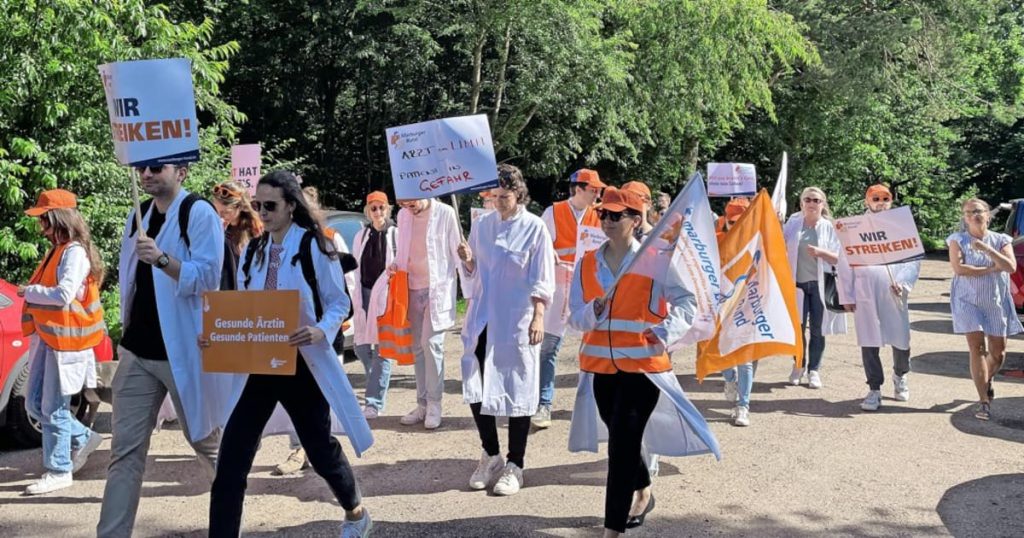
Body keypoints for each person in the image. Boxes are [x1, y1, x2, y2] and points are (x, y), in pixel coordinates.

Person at [208, 170, 373, 537]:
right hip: (261, 364)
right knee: (232, 459)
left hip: (302, 364)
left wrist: (320, 329)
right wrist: (219, 336)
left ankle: (355, 510)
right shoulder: (253, 249)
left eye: (271, 205)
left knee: (319, 448)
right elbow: (246, 307)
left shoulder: (315, 246)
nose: (262, 212)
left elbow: (338, 303)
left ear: (291, 206)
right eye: (258, 205)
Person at [567, 187, 719, 537]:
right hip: (601, 371)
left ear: (636, 221)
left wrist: (665, 330)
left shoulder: (656, 261)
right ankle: (644, 486)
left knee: (620, 448)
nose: (606, 220)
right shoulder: (587, 262)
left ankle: (613, 529)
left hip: (643, 371)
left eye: (616, 215)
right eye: (603, 213)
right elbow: (574, 316)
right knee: (623, 439)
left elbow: (686, 302)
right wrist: (593, 311)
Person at [98, 163, 238, 538]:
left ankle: (228, 528)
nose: (146, 174)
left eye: (156, 167)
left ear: (182, 170)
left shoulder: (199, 212)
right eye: (142, 168)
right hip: (137, 351)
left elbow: (208, 278)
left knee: (206, 443)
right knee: (124, 454)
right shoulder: (138, 213)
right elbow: (130, 280)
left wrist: (162, 259)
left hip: (182, 353)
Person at [457, 164, 556, 495]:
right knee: (476, 386)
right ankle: (491, 453)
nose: (499, 202)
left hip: (516, 319)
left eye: (505, 196)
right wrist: (467, 259)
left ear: (519, 194)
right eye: (494, 196)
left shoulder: (534, 228)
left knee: (518, 389)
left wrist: (539, 315)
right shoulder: (483, 225)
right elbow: (474, 272)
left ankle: (516, 463)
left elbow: (543, 276)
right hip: (484, 317)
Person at [18, 189, 106, 495]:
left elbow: (64, 295)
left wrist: (27, 292)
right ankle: (82, 438)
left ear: (58, 219)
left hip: (65, 343)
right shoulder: (60, 250)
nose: (41, 227)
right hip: (50, 338)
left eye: (43, 219)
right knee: (34, 403)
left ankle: (58, 470)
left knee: (52, 406)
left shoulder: (74, 253)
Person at [271, 185, 356, 475]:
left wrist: (324, 329)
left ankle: (332, 467)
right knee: (292, 405)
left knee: (320, 413)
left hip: (323, 342)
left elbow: (343, 295)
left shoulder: (327, 242)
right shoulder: (268, 247)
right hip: (285, 344)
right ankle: (298, 450)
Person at [837, 185, 920, 411]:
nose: (881, 202)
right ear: (867, 202)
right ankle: (874, 388)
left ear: (891, 201)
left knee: (901, 338)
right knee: (868, 339)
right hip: (865, 291)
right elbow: (843, 264)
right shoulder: (853, 228)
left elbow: (912, 260)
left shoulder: (901, 226)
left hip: (894, 291)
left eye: (885, 198)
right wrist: (847, 294)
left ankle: (900, 374)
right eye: (876, 198)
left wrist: (904, 283)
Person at [534, 168, 605, 429]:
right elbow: (538, 245)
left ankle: (593, 405)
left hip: (586, 290)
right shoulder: (553, 212)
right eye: (593, 189)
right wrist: (548, 254)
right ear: (578, 188)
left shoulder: (599, 215)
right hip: (557, 289)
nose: (598, 193)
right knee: (548, 348)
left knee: (592, 349)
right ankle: (544, 403)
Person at [946, 198, 1022, 421]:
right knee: (976, 347)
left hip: (995, 301)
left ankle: (987, 378)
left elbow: (1009, 267)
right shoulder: (957, 240)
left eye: (978, 212)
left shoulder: (1001, 240)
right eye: (968, 213)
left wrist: (987, 250)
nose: (973, 216)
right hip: (967, 300)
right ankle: (983, 401)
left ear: (988, 215)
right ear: (964, 217)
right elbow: (959, 269)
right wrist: (991, 268)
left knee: (998, 353)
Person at [393, 194, 464, 429]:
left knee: (431, 344)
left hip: (437, 289)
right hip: (410, 287)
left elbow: (458, 254)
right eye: (403, 204)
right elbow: (404, 250)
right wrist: (395, 264)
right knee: (417, 348)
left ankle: (435, 403)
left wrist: (471, 287)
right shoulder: (403, 216)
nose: (408, 208)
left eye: (411, 202)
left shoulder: (445, 213)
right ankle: (422, 404)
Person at [782, 187, 846, 389]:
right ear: (801, 203)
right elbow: (778, 246)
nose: (812, 203)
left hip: (820, 286)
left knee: (818, 330)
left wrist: (821, 253)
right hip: (797, 285)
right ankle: (798, 365)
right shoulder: (791, 226)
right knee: (797, 329)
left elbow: (841, 259)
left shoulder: (830, 227)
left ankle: (814, 370)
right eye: (807, 199)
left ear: (822, 204)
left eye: (816, 200)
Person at [352, 191, 398, 419]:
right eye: (373, 208)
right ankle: (376, 383)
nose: (378, 212)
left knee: (383, 349)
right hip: (364, 294)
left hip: (386, 296)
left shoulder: (395, 234)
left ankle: (374, 401)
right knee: (361, 346)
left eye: (381, 208)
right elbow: (353, 267)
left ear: (387, 209)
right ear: (367, 211)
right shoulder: (361, 235)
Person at [714, 197, 758, 426]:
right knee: (723, 354)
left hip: (747, 306)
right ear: (725, 221)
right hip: (722, 305)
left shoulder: (757, 243)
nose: (736, 227)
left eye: (740, 222)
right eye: (732, 223)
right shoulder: (716, 241)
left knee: (745, 359)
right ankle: (729, 379)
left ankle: (743, 406)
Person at [212, 180, 264, 291]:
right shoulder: (220, 228)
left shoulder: (255, 230)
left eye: (226, 212)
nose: (219, 216)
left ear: (240, 207)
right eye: (216, 211)